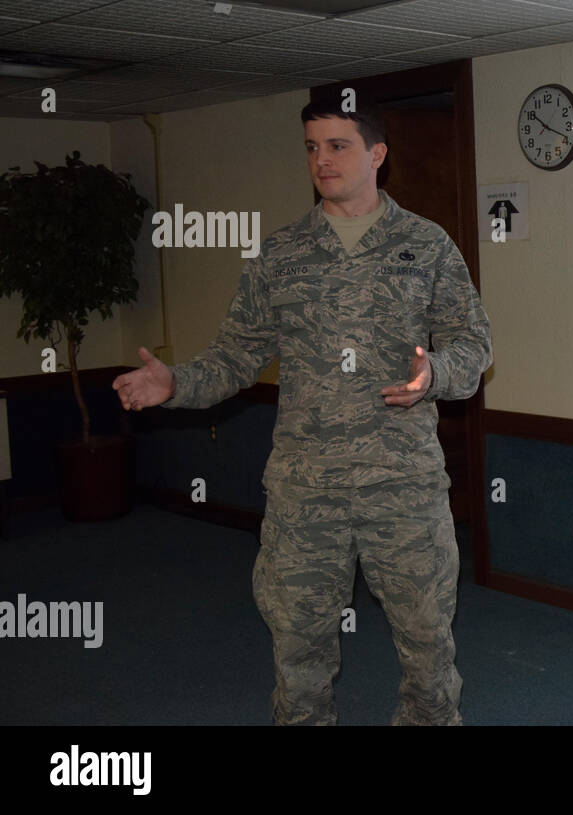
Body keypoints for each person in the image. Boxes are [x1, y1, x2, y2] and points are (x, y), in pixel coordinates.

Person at [112, 99, 492, 725]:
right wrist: (174, 382)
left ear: (377, 154)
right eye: (312, 147)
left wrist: (435, 376)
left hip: (402, 485)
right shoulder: (282, 255)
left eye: (338, 145)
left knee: (428, 648)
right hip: (304, 491)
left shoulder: (427, 246)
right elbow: (236, 357)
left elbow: (474, 345)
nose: (322, 159)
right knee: (297, 651)